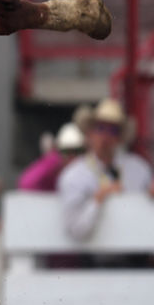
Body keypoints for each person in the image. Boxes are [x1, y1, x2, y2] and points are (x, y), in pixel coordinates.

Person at [58, 98, 153, 242]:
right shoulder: (74, 175)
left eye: (113, 130)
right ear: (89, 133)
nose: (106, 136)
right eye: (100, 128)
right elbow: (75, 231)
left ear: (120, 137)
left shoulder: (138, 168)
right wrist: (97, 201)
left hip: (136, 255)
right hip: (94, 259)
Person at [18, 121, 85, 192]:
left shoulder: (88, 170)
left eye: (77, 151)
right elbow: (26, 183)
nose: (71, 156)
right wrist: (53, 160)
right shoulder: (54, 168)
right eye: (66, 151)